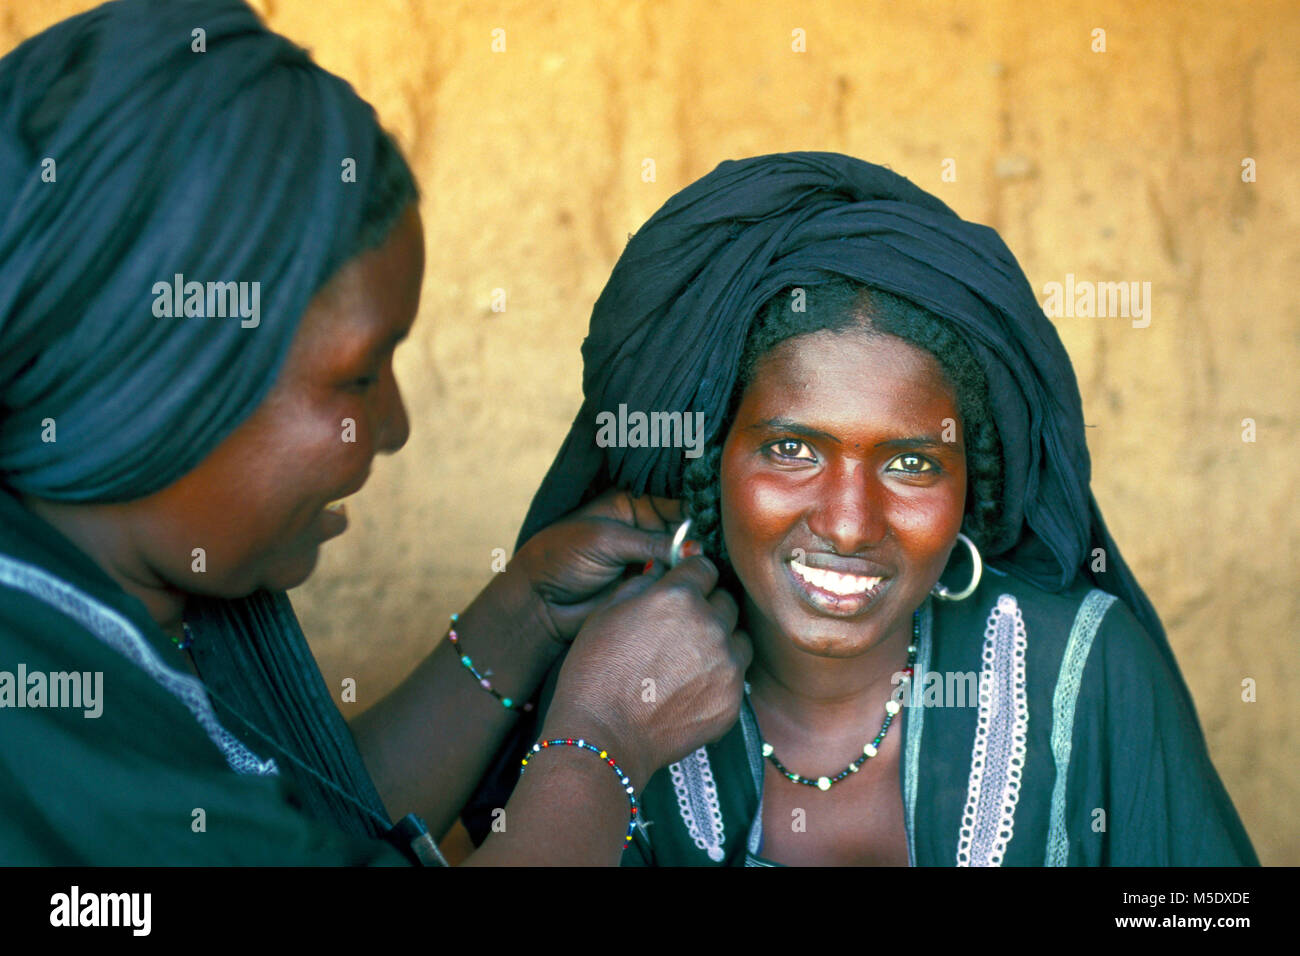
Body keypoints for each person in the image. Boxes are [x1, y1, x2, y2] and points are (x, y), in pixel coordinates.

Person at [0, 0, 750, 866]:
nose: (392, 425)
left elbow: (299, 833)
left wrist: (524, 620)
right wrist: (603, 740)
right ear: (162, 374)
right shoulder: (38, 718)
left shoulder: (110, 605)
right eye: (356, 376)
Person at [467, 152, 1259, 866]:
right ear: (709, 465)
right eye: (791, 450)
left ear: (970, 491)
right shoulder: (619, 676)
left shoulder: (1084, 673)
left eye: (912, 463)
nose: (849, 524)